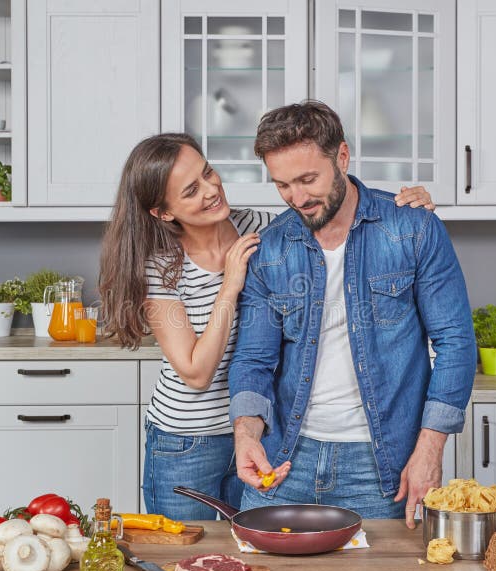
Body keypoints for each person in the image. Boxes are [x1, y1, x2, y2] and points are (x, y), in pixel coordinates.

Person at [99, 132, 436, 520]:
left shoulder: (262, 228)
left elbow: (334, 215)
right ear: (163, 212)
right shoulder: (161, 265)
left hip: (265, 434)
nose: (211, 190)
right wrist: (230, 285)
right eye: (191, 190)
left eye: (208, 173)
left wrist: (408, 205)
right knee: (187, 561)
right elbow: (196, 372)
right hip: (189, 441)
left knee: (247, 557)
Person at [228, 101, 477, 528]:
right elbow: (254, 359)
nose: (298, 198)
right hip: (286, 460)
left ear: (341, 157)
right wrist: (246, 434)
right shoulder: (269, 249)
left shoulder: (412, 228)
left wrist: (431, 450)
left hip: (383, 466)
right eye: (283, 185)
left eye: (308, 179)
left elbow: (455, 342)